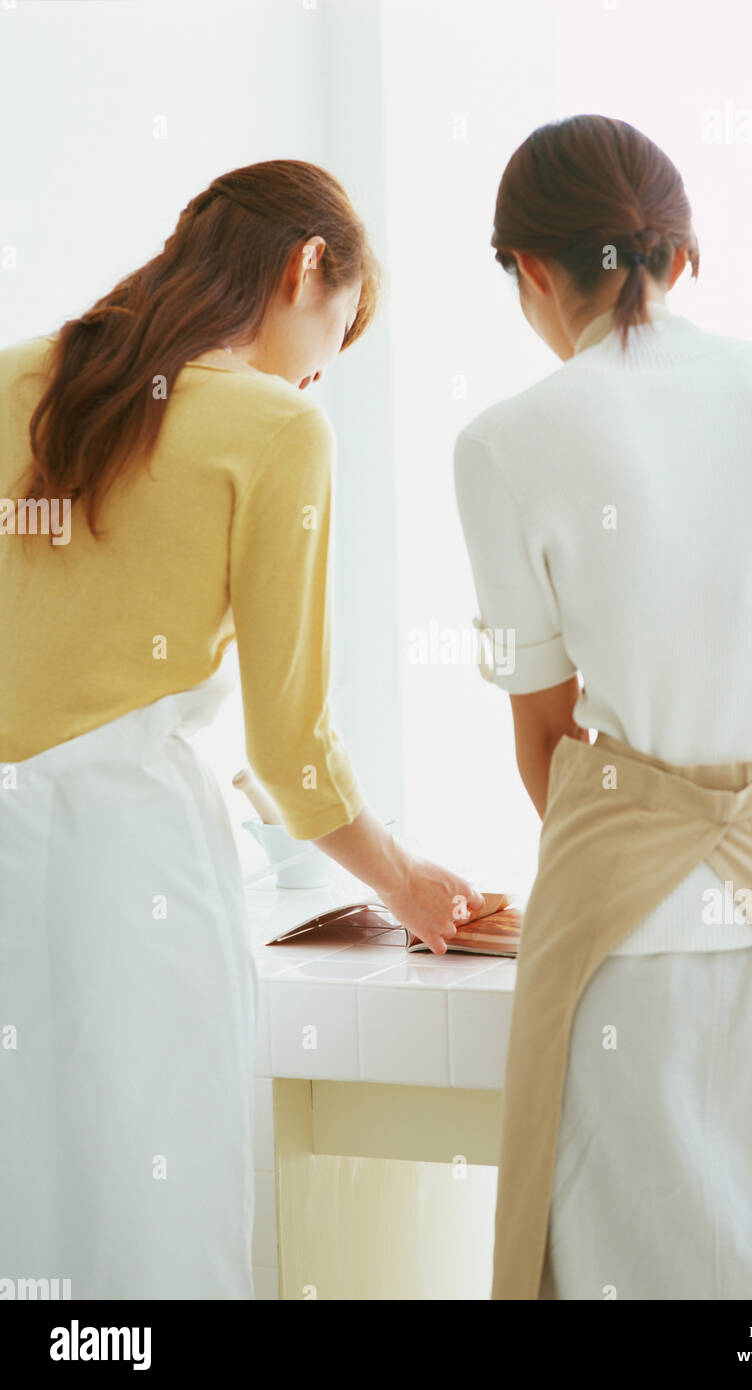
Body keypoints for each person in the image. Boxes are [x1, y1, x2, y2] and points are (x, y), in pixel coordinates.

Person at [0, 158, 483, 1300]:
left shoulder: (18, 374)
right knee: (150, 1202)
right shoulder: (275, 430)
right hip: (137, 868)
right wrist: (408, 882)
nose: (320, 371)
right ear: (306, 263)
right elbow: (292, 748)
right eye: (337, 327)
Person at [454, 116, 752, 1300]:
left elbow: (546, 736)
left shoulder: (502, 443)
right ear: (680, 253)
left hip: (630, 939)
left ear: (534, 272)